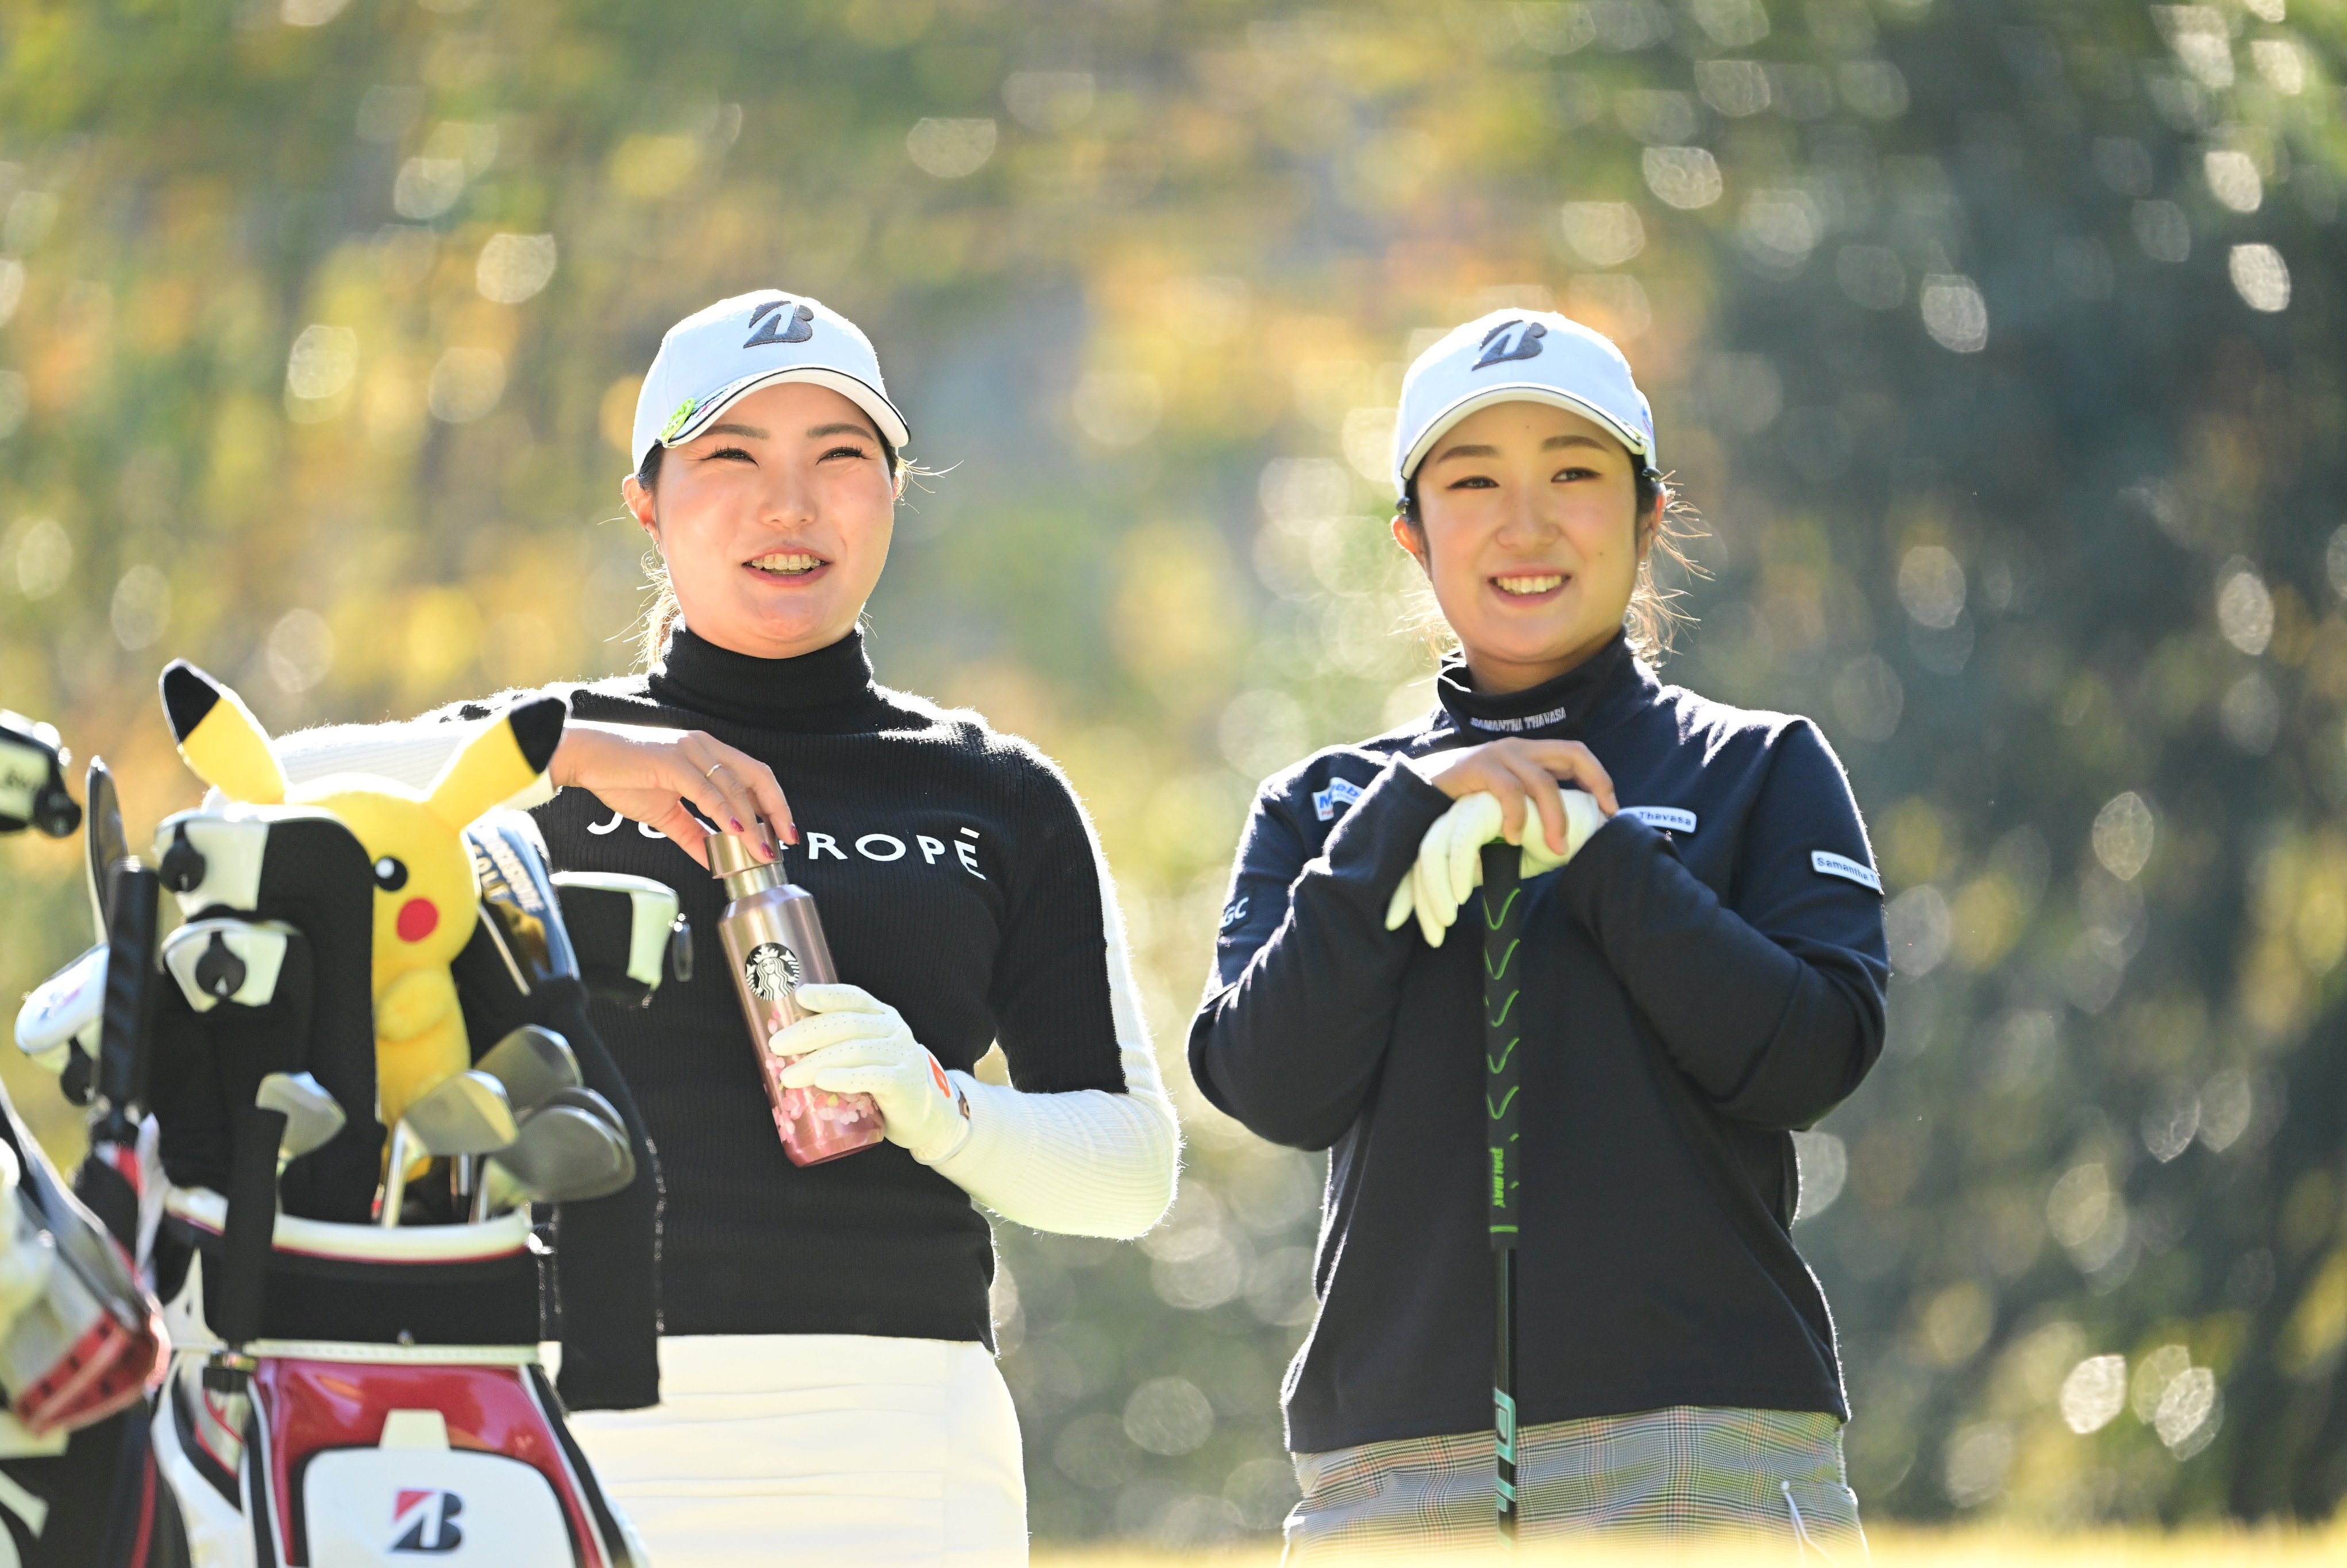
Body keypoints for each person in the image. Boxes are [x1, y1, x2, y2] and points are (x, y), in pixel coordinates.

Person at [270, 291, 1180, 1567]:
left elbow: (1131, 1171)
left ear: (893, 490)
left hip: (900, 1435)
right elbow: (250, 791)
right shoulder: (523, 762)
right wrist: (574, 753)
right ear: (646, 500)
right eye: (731, 459)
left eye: (838, 458)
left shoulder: (991, 793)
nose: (788, 508)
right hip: (568, 1412)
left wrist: (933, 1104)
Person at [1189, 310, 1886, 1558]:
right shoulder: (1323, 808)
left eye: (1573, 473)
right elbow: (1268, 1084)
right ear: (1411, 535)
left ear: (1647, 513)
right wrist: (1399, 821)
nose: (1525, 523)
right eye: (1473, 484)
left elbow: (1807, 1059)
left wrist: (1603, 855)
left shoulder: (1757, 767)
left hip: (1704, 1449)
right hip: (1393, 1468)